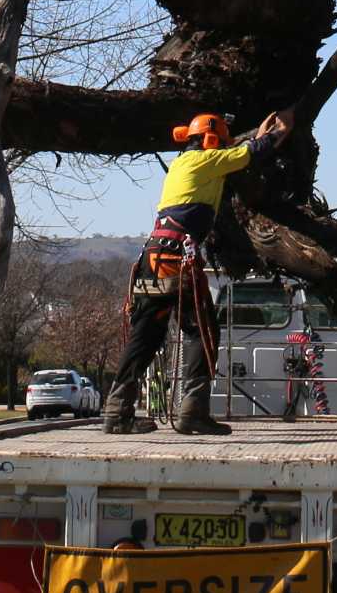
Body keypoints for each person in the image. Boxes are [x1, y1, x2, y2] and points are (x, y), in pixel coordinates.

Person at [105, 109, 291, 436]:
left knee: (145, 337)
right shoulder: (205, 161)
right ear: (210, 141)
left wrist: (256, 135)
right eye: (220, 143)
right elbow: (248, 154)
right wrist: (278, 133)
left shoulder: (183, 163)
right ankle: (193, 410)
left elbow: (235, 152)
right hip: (178, 261)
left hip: (152, 258)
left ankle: (117, 411)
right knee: (201, 330)